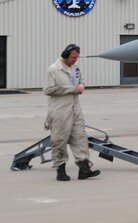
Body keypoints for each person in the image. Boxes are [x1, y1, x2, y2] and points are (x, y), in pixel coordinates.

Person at [43, 44, 100, 181]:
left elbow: (81, 82)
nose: (75, 60)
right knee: (59, 141)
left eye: (77, 58)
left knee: (80, 139)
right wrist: (71, 89)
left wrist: (80, 87)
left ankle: (84, 169)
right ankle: (60, 170)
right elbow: (48, 90)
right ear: (65, 55)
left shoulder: (76, 69)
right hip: (60, 111)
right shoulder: (53, 70)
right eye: (73, 57)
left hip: (76, 110)